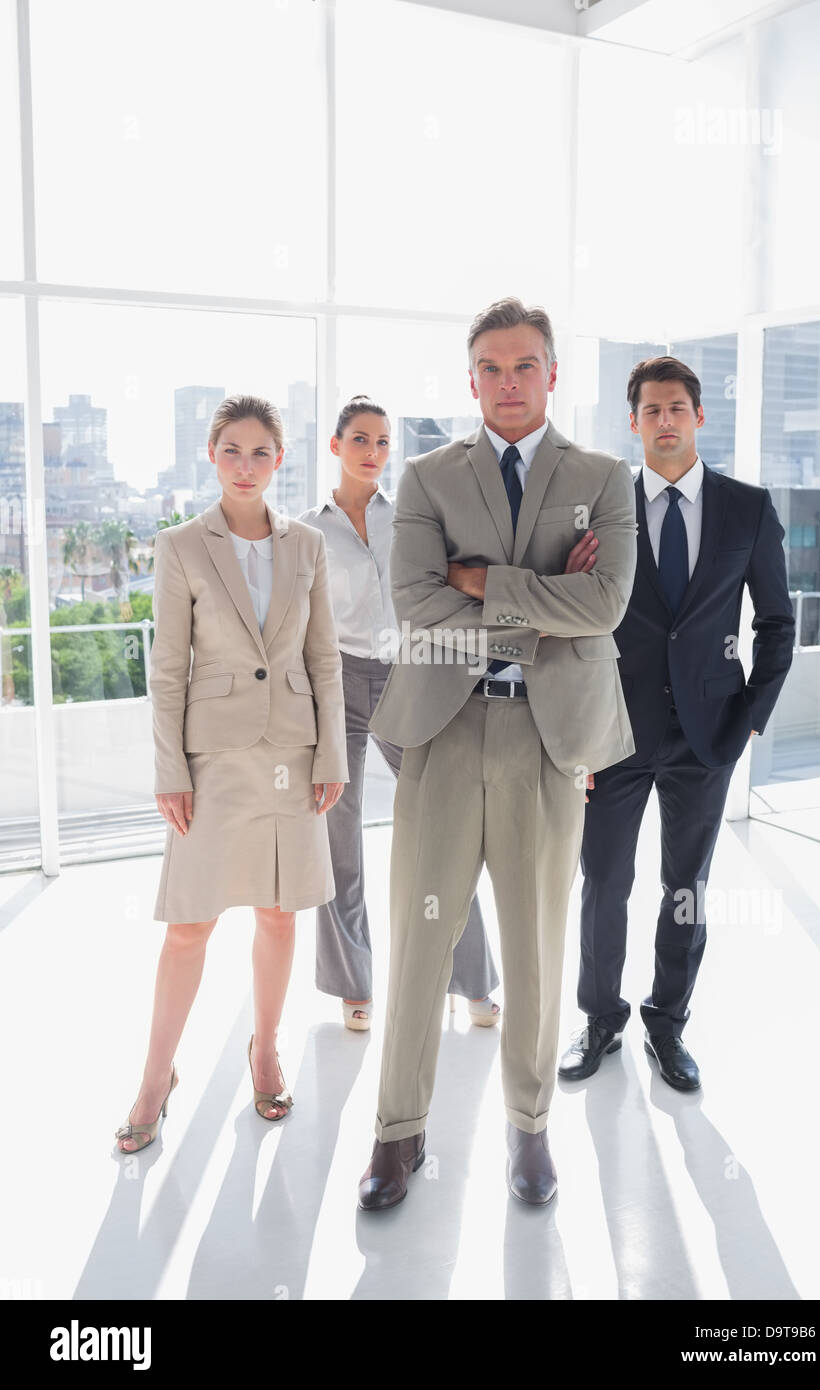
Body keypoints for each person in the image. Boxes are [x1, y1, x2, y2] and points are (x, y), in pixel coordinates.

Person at [357, 297, 637, 1209]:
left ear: (553, 372)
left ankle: (530, 1130)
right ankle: (399, 1135)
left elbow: (603, 609)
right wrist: (542, 596)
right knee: (419, 942)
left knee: (534, 947)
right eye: (490, 367)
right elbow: (418, 606)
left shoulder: (603, 476)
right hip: (443, 733)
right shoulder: (431, 477)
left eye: (524, 366)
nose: (507, 382)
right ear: (469, 377)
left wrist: (485, 582)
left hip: (549, 744)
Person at [114, 394, 347, 1153]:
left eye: (260, 453)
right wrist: (169, 768)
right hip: (211, 762)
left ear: (279, 460)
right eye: (231, 451)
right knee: (190, 926)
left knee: (280, 915)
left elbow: (323, 658)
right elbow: (168, 669)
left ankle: (267, 1049)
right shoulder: (182, 545)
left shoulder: (308, 545)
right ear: (211, 457)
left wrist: (332, 753)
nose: (245, 466)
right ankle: (156, 1075)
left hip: (292, 751)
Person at [558, 356, 795, 1092]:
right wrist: (570, 578)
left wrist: (749, 717)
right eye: (651, 410)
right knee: (603, 880)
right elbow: (580, 621)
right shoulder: (604, 508)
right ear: (632, 421)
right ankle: (600, 1018)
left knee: (685, 885)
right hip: (614, 732)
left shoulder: (746, 509)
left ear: (698, 417)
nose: (665, 421)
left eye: (677, 409)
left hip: (707, 736)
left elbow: (778, 625)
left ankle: (668, 1022)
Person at [298, 395, 500, 1031]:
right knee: (341, 838)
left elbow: (447, 578)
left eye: (384, 442)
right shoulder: (307, 530)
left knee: (443, 825)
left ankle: (470, 978)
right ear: (335, 446)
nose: (374, 453)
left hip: (403, 676)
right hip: (333, 681)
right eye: (361, 440)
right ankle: (352, 983)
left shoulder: (410, 518)